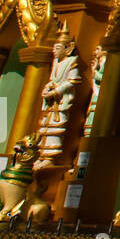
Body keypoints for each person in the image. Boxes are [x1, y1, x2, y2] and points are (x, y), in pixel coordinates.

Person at [36, 23, 81, 168]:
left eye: (57, 48)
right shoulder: (56, 62)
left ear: (68, 49)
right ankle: (42, 154)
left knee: (56, 127)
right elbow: (52, 80)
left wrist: (56, 91)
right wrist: (47, 88)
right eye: (54, 48)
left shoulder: (71, 61)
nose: (54, 51)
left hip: (61, 100)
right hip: (52, 101)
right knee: (46, 127)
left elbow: (72, 80)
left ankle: (51, 157)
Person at [83, 44, 106, 134]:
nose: (95, 52)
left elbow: (105, 78)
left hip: (101, 93)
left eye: (98, 49)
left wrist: (94, 71)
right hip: (96, 92)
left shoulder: (106, 61)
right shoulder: (100, 63)